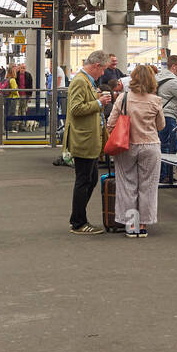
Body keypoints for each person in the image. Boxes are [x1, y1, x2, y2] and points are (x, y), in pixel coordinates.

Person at [106, 65, 166, 237]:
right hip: (150, 146)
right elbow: (161, 126)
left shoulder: (123, 98)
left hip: (127, 146)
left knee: (127, 185)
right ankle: (143, 225)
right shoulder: (156, 100)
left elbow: (111, 123)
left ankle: (131, 226)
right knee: (148, 186)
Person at [64, 50, 112, 235]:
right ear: (96, 66)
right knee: (84, 180)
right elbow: (76, 109)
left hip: (88, 138)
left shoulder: (86, 82)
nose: (103, 74)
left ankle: (78, 219)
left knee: (90, 179)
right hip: (83, 139)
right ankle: (78, 222)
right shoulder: (80, 81)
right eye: (103, 70)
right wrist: (99, 103)